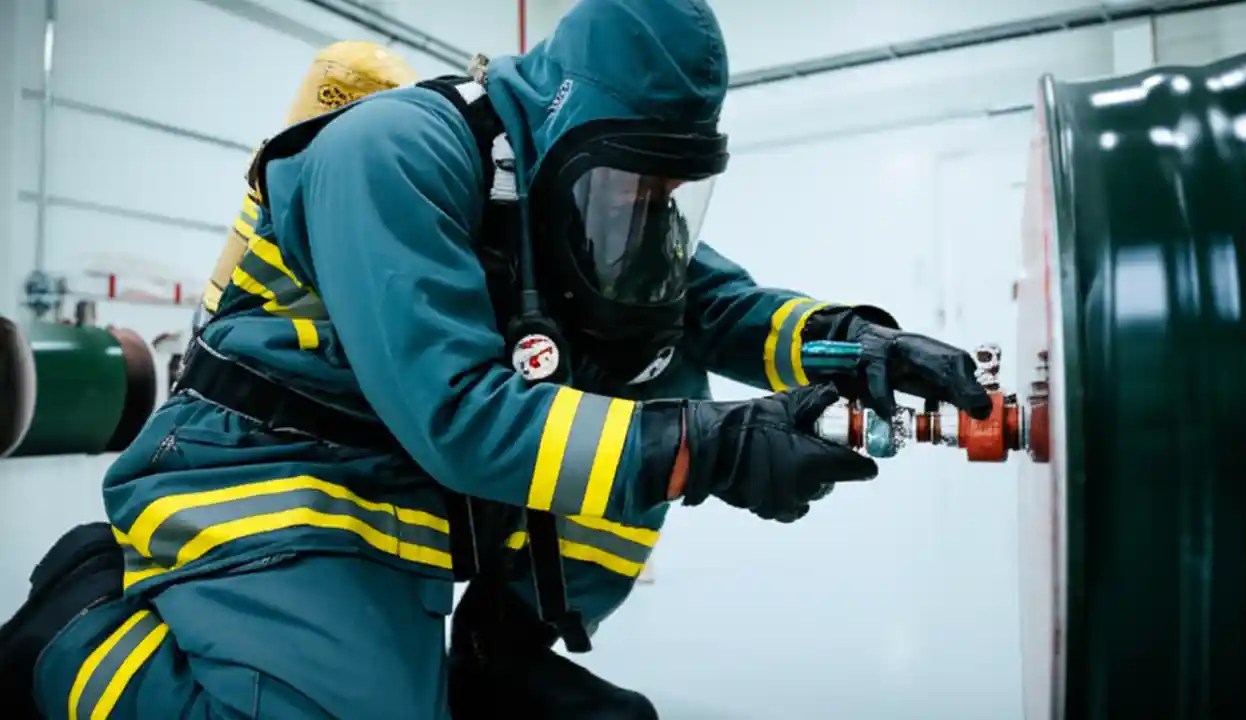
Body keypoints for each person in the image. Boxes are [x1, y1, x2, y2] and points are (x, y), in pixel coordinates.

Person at [0, 0, 993, 718]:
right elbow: (461, 418)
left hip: (404, 467)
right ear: (558, 130)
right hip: (272, 462)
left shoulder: (602, 193)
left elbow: (715, 304)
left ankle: (499, 648)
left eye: (666, 193)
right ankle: (72, 625)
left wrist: (858, 340)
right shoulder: (389, 150)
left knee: (653, 361)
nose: (644, 217)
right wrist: (717, 449)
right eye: (627, 187)